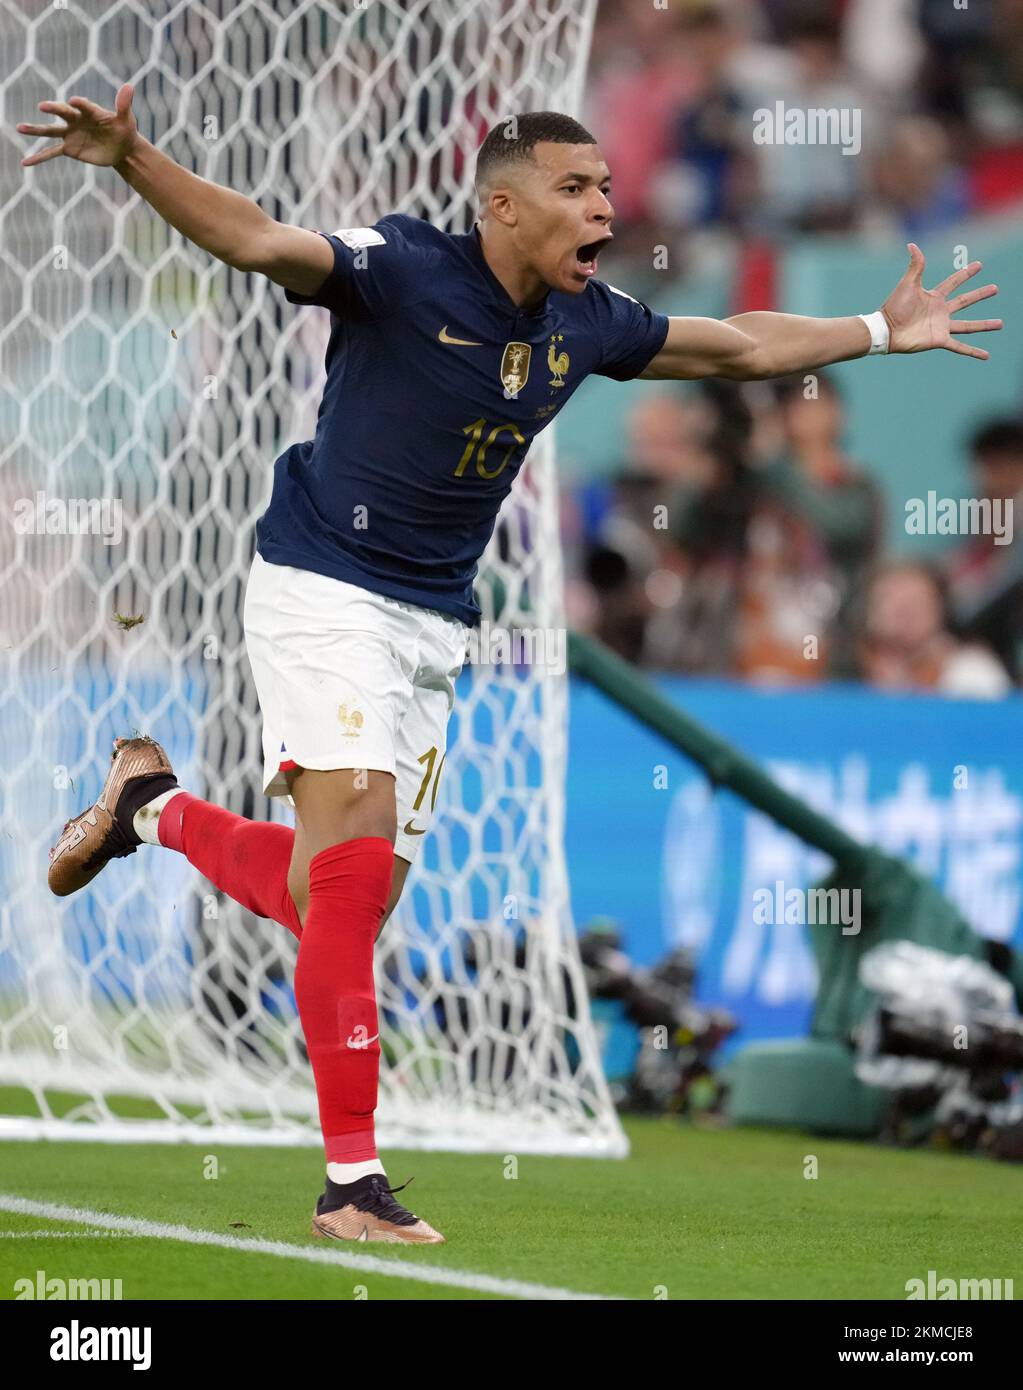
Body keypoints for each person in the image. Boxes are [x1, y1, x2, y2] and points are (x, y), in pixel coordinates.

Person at [18, 85, 1003, 1243]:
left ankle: (154, 810)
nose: (604, 206)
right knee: (349, 875)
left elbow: (734, 346)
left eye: (604, 186)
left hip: (435, 621)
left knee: (341, 893)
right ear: (501, 205)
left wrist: (878, 334)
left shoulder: (588, 321)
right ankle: (351, 1182)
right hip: (323, 584)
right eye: (575, 189)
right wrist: (134, 158)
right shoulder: (403, 267)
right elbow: (258, 238)